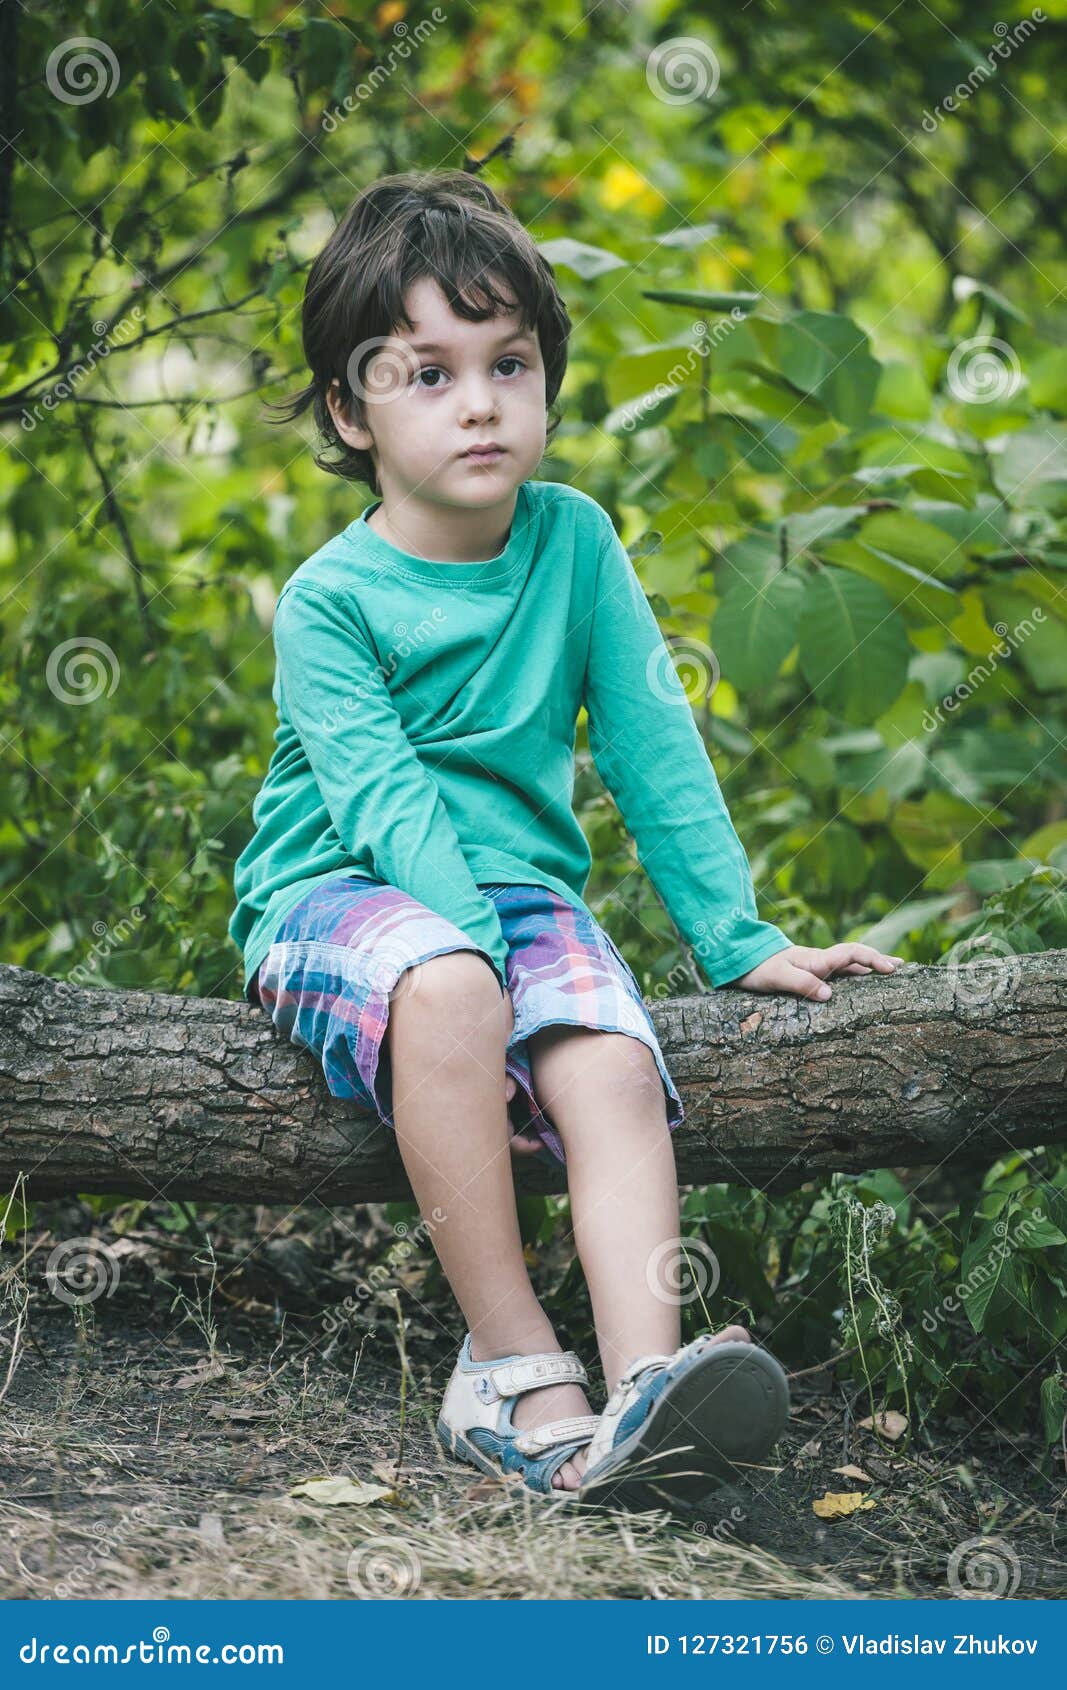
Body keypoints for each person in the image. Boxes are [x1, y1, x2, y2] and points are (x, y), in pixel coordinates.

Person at [228, 168, 903, 1505]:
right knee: (457, 981)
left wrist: (736, 934)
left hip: (512, 896)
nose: (480, 401)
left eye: (510, 363)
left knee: (603, 1056)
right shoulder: (329, 601)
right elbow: (384, 805)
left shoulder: (575, 541)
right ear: (347, 412)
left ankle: (644, 1393)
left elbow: (655, 745)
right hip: (338, 896)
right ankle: (514, 1367)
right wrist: (480, 992)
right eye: (425, 372)